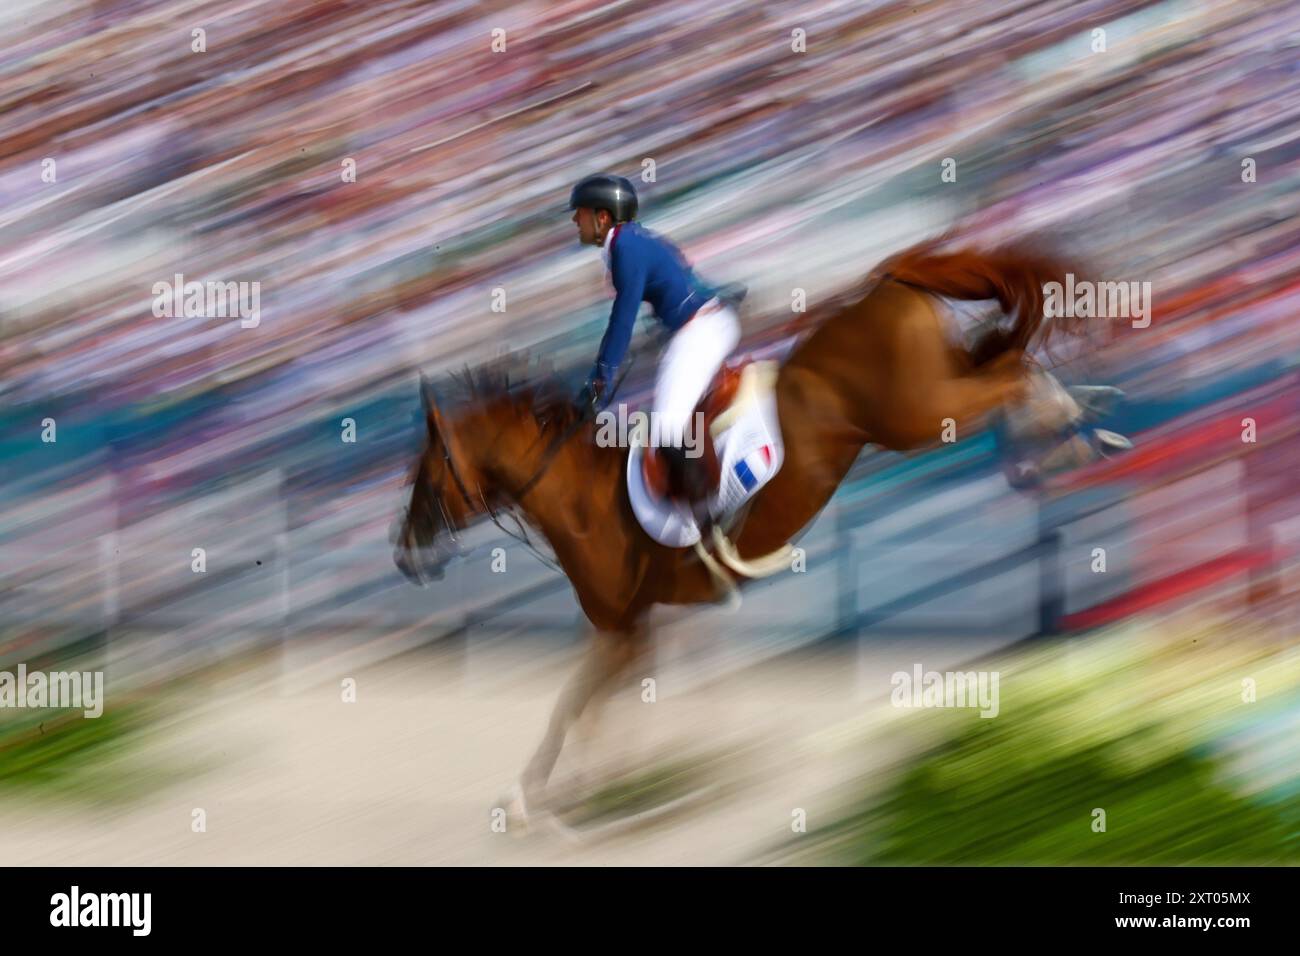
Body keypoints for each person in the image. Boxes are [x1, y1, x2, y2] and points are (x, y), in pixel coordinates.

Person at [569, 173, 739, 519]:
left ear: (603, 218)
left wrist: (597, 385)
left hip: (699, 332)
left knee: (666, 429)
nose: (575, 220)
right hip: (703, 325)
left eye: (580, 213)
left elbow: (621, 322)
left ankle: (709, 517)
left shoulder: (625, 248)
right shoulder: (635, 238)